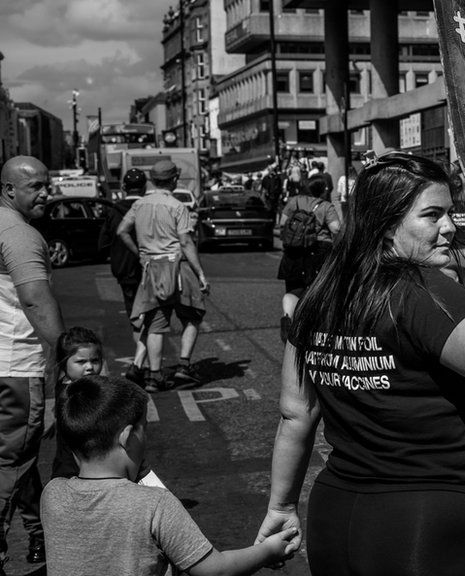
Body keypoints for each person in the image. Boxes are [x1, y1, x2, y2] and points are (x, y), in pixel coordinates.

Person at [256, 153, 465, 576]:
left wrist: (281, 505)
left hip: (335, 515)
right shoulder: (420, 291)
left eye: (449, 212)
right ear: (384, 223)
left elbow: (295, 415)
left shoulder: (318, 295)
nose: (450, 227)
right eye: (432, 215)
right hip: (426, 521)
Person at [41, 375, 300, 576]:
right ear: (128, 437)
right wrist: (268, 550)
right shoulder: (154, 505)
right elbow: (216, 570)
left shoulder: (52, 495)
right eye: (145, 428)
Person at [0, 155, 63, 575]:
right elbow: (37, 301)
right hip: (18, 364)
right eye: (36, 187)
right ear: (9, 190)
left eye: (47, 184)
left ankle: (37, 531)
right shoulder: (19, 235)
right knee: (14, 461)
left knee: (15, 459)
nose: (47, 193)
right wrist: (69, 357)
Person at [117, 159, 209, 393]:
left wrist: (140, 252)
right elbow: (186, 242)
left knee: (156, 324)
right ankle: (184, 366)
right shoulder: (177, 206)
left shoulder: (140, 205)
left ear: (152, 180)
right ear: (175, 180)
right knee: (193, 314)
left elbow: (122, 231)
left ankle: (154, 376)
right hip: (177, 266)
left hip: (151, 268)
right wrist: (200, 273)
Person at [99, 168, 147, 385]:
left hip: (125, 271)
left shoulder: (113, 211)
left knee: (135, 317)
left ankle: (141, 361)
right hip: (151, 269)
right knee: (153, 317)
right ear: (145, 187)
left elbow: (103, 243)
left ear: (124, 187)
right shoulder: (148, 207)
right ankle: (142, 361)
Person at [277, 176, 341, 342]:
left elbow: (282, 223)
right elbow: (336, 228)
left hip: (294, 252)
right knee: (319, 291)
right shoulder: (326, 206)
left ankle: (288, 319)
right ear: (323, 189)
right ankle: (315, 330)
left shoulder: (295, 201)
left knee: (293, 290)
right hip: (319, 252)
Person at [49, 327, 104, 479]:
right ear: (63, 363)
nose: (90, 368)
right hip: (76, 469)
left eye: (95, 360)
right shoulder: (76, 394)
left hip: (71, 466)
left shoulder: (65, 383)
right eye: (81, 362)